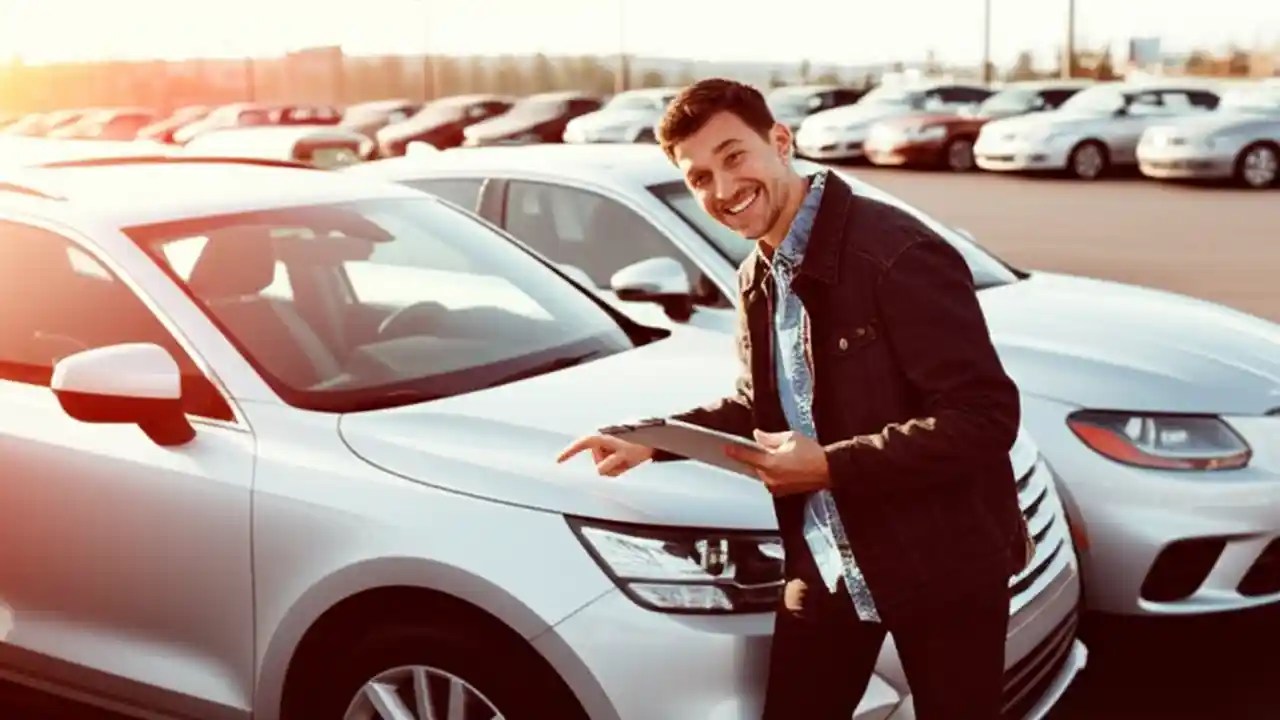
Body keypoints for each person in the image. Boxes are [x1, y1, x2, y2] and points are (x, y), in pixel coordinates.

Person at [556, 78, 1032, 720]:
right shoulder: (756, 275)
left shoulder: (895, 252)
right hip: (829, 568)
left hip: (941, 570)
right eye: (699, 177)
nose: (722, 190)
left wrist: (832, 466)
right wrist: (652, 438)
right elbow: (763, 406)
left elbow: (984, 418)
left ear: (780, 141)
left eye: (734, 157)